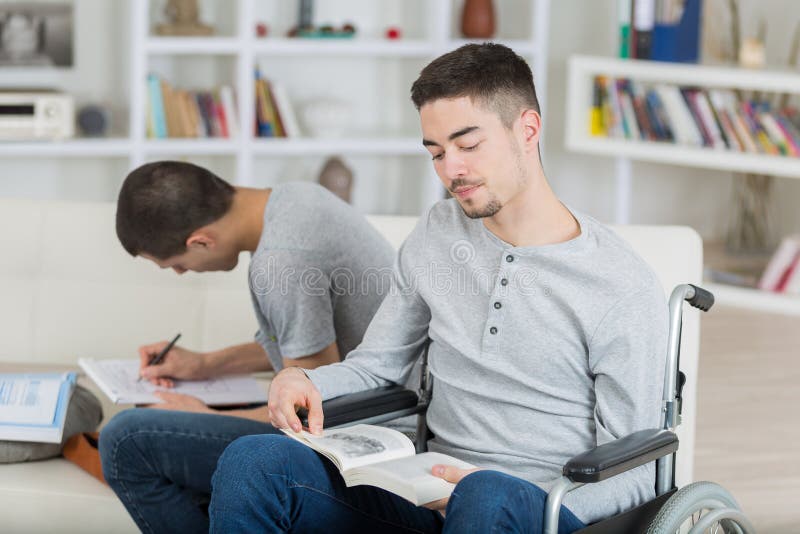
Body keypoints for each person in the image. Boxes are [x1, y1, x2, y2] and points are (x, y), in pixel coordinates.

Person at [208, 43, 669, 534]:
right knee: (254, 460)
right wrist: (304, 380)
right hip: (427, 497)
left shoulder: (618, 283)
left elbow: (635, 473)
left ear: (528, 130)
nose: (451, 171)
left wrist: (521, 497)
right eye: (436, 152)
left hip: (538, 511)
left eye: (468, 146)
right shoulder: (437, 231)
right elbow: (378, 365)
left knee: (486, 494)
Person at [98, 161, 395, 534]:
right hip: (374, 408)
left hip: (366, 438)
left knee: (126, 441)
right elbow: (306, 344)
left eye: (177, 264)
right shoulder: (296, 198)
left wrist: (205, 415)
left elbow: (310, 410)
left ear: (201, 241)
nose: (181, 273)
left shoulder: (280, 262)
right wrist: (204, 365)